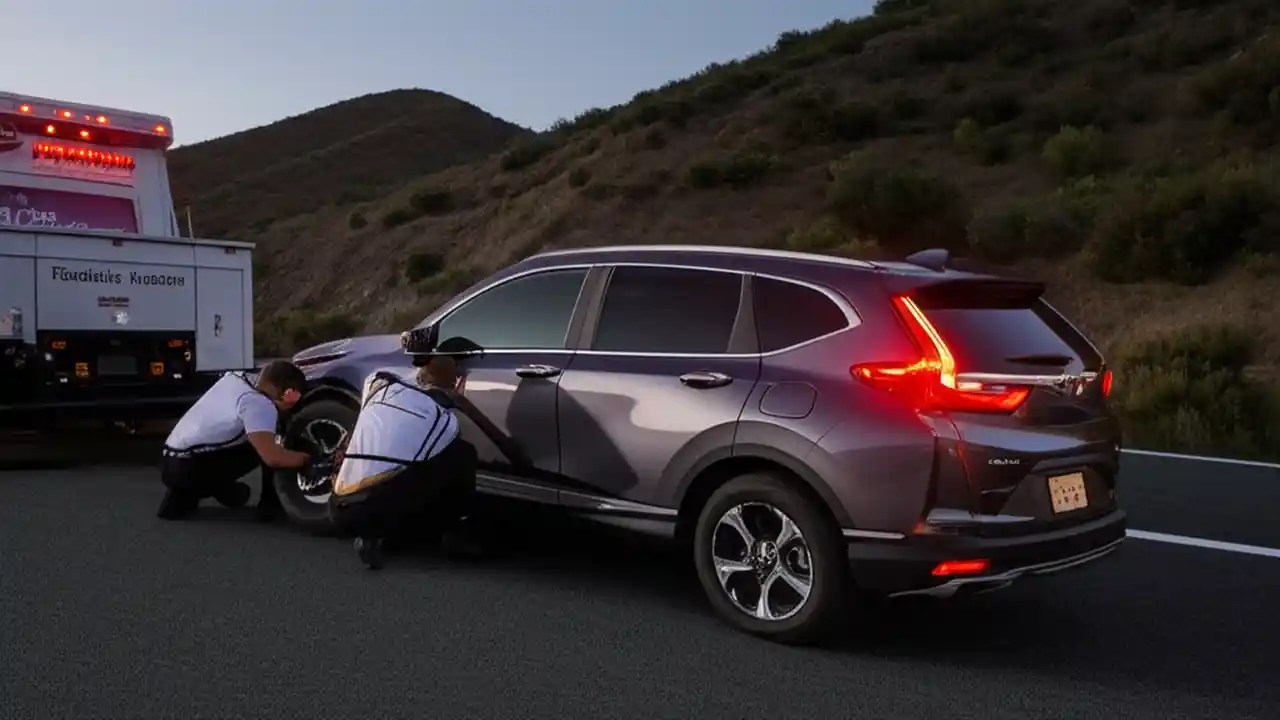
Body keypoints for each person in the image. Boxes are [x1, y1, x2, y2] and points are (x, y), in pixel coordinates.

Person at [327, 335, 530, 569]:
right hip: (380, 504)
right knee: (461, 454)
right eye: (456, 375)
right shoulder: (444, 406)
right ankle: (454, 534)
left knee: (401, 462)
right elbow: (493, 434)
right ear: (451, 379)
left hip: (339, 509)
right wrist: (519, 460)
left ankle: (381, 535)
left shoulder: (382, 384)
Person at [156, 360, 312, 521]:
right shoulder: (259, 405)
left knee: (243, 437)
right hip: (190, 469)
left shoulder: (234, 378)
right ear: (282, 390)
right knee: (271, 442)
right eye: (293, 395)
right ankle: (270, 508)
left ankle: (186, 494)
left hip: (169, 460)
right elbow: (273, 458)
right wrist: (307, 459)